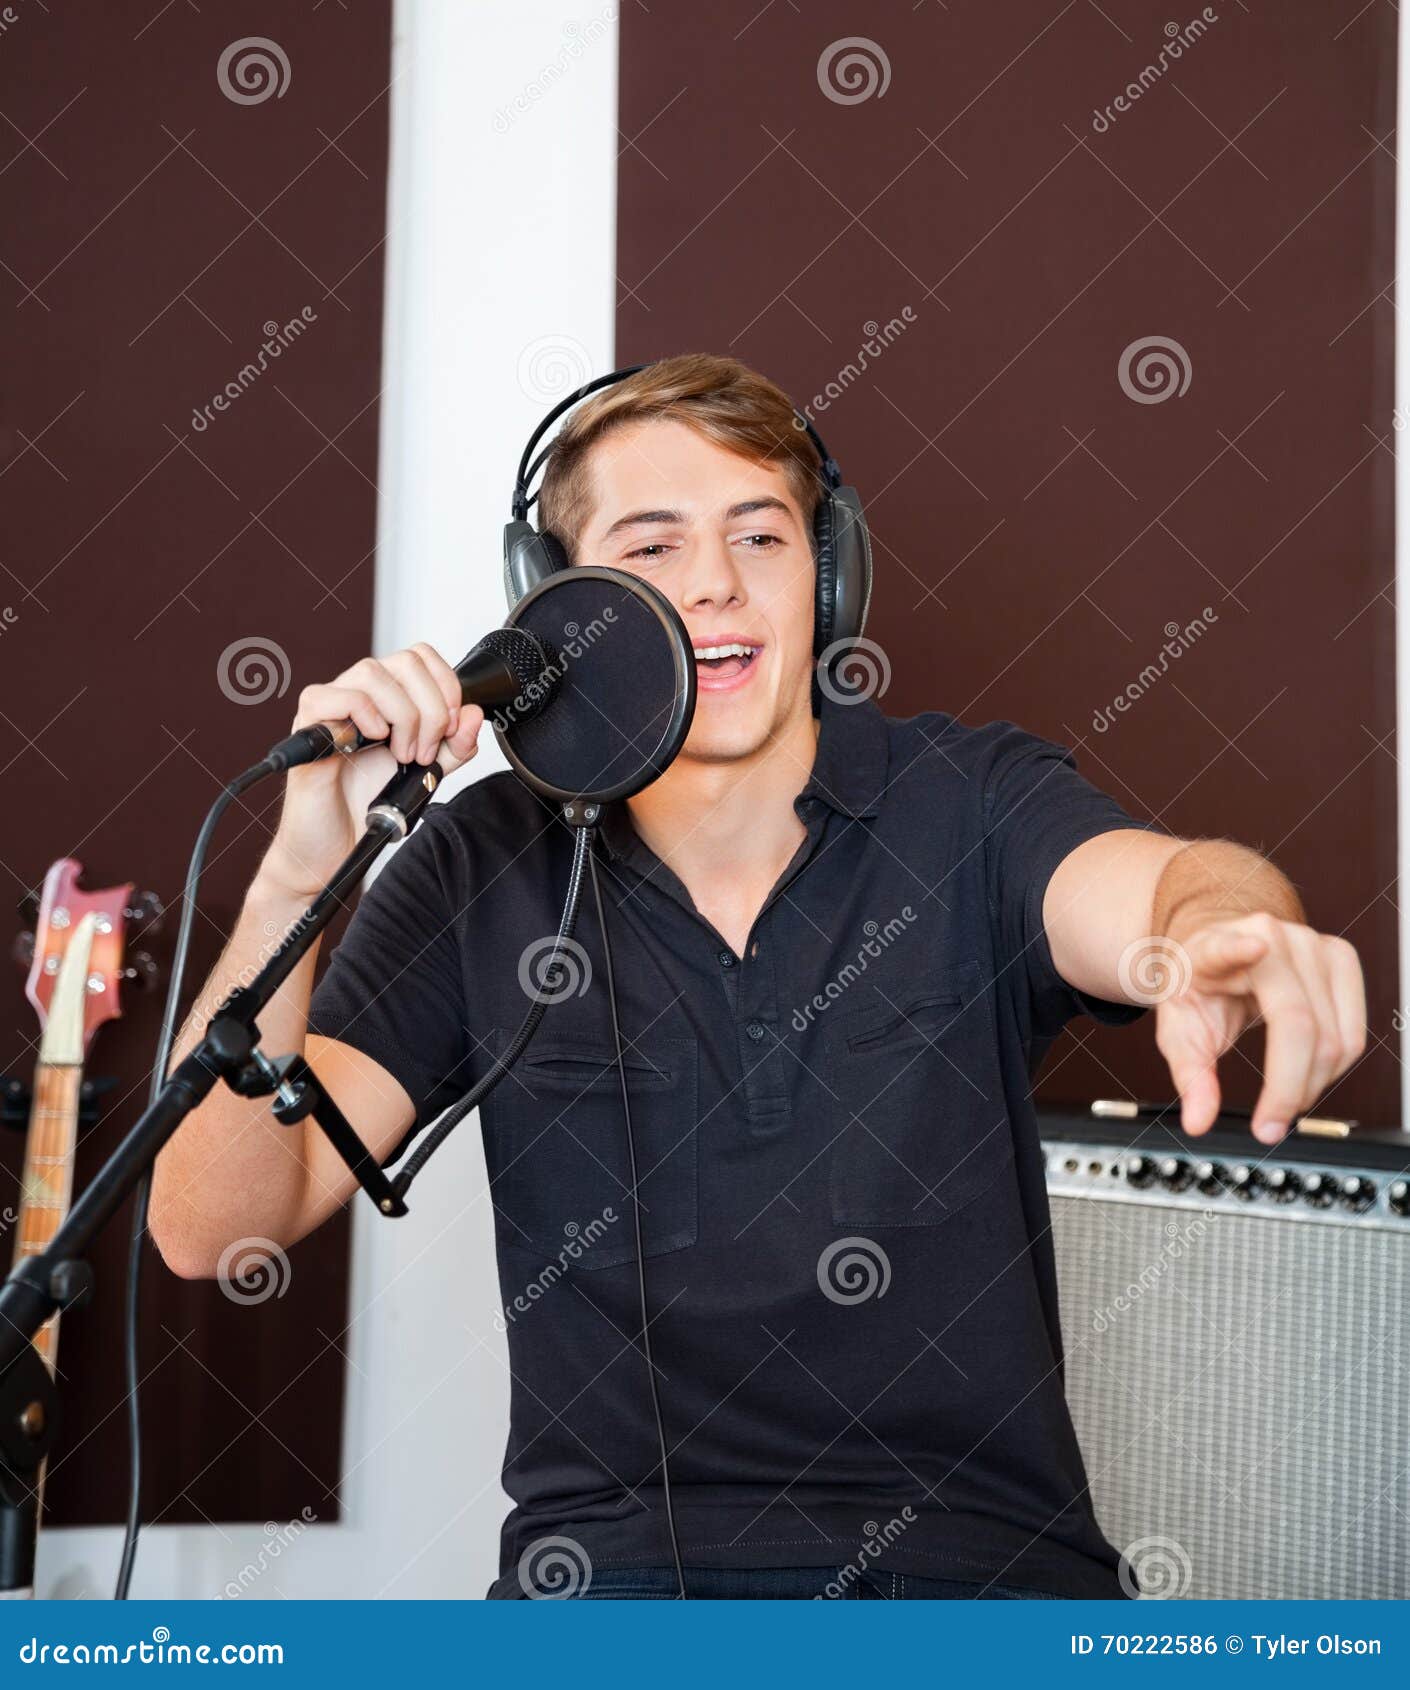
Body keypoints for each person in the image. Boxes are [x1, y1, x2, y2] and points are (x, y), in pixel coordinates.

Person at [150, 354, 1366, 1600]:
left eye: (760, 535)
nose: (715, 582)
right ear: (556, 606)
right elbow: (208, 1228)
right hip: (611, 1600)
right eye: (653, 545)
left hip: (978, 1590)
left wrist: (1224, 928)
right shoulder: (480, 862)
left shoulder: (973, 801)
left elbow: (1166, 887)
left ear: (830, 576)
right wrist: (299, 874)